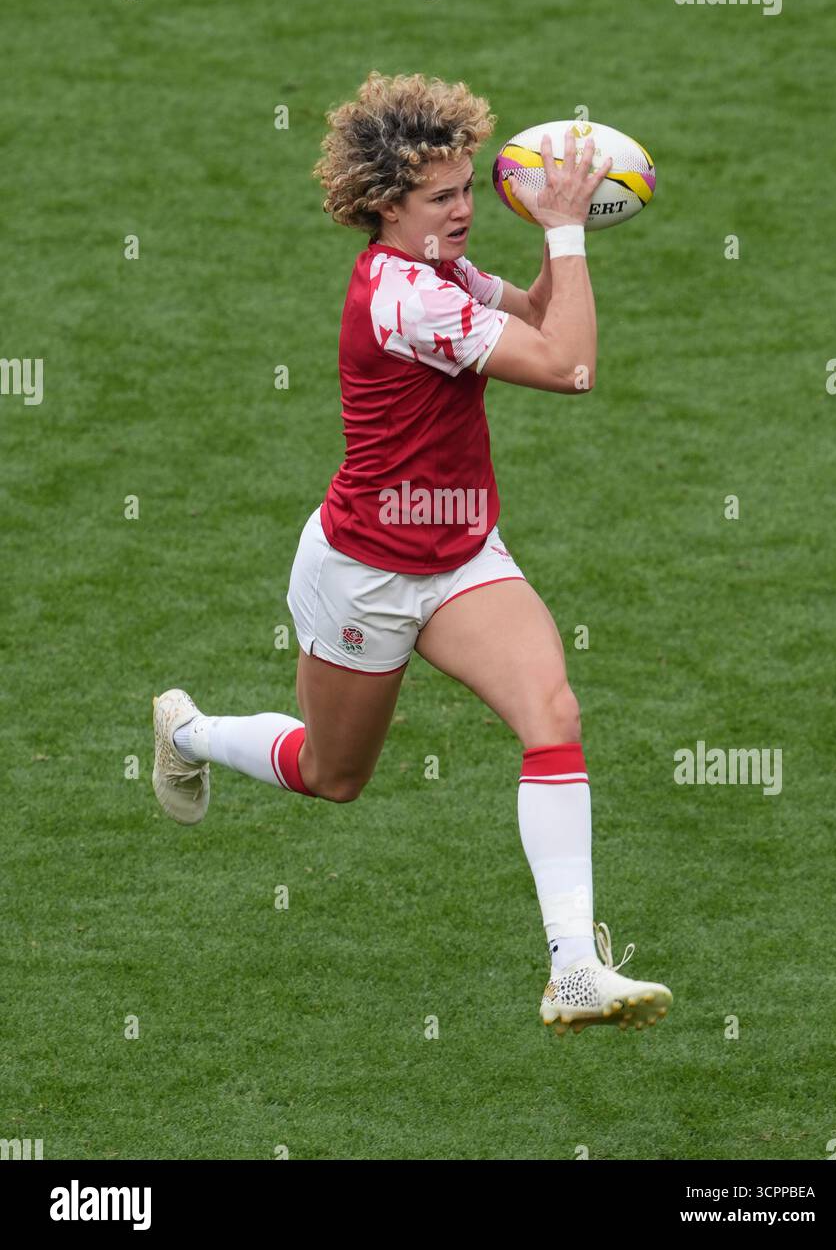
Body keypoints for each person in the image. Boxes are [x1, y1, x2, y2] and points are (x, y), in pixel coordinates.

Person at [151, 70, 672, 1035]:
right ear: (385, 206)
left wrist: (571, 228)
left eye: (471, 187)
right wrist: (561, 229)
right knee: (331, 775)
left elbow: (538, 320)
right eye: (444, 197)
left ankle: (573, 970)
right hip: (365, 573)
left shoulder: (441, 271)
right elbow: (571, 369)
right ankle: (185, 732)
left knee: (552, 711)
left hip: (463, 554)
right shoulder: (403, 298)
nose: (466, 210)